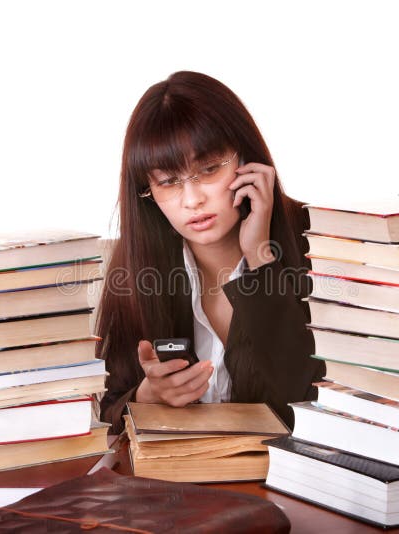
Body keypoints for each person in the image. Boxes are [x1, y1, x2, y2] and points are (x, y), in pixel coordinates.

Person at [96, 71, 325, 432]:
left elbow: (307, 402)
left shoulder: (322, 243)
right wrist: (147, 395)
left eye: (209, 169)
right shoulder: (140, 262)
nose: (192, 200)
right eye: (168, 182)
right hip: (178, 483)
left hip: (297, 483)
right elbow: (103, 413)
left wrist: (261, 256)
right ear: (148, 191)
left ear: (246, 161)